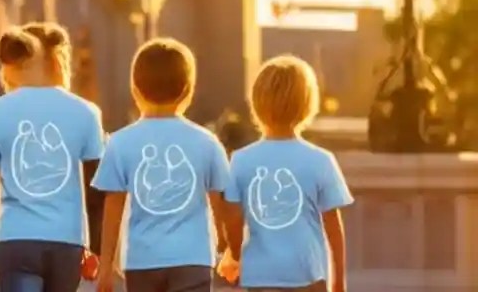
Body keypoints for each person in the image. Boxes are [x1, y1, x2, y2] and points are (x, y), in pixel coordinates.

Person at [91, 38, 232, 292]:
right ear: (188, 90)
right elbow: (220, 199)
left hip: (142, 260)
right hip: (193, 258)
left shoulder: (121, 142)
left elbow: (113, 205)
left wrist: (106, 265)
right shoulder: (207, 142)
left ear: (135, 89)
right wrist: (226, 245)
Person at [0, 25, 105, 292]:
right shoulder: (86, 113)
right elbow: (95, 193)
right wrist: (97, 248)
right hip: (67, 242)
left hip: (16, 238)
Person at [217, 56, 352, 292]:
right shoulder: (320, 160)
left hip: (260, 275)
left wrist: (234, 255)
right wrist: (339, 281)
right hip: (309, 274)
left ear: (256, 103)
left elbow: (233, 219)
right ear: (308, 104)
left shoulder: (241, 160)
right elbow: (334, 228)